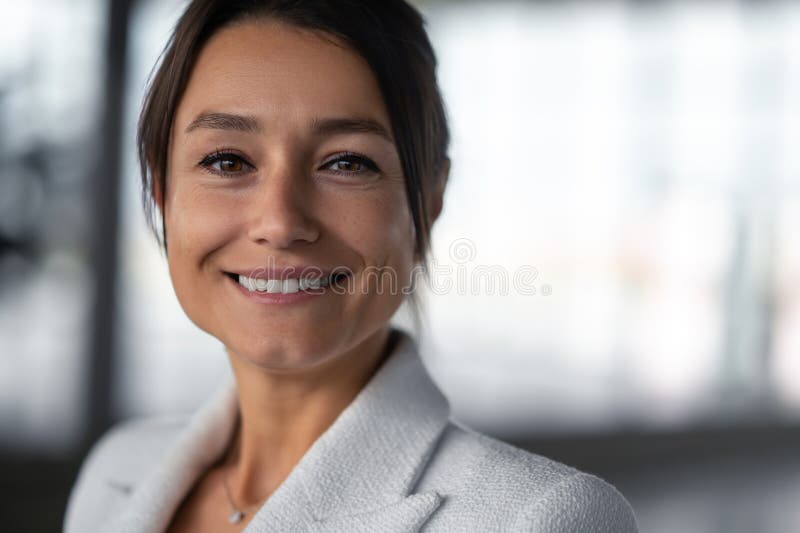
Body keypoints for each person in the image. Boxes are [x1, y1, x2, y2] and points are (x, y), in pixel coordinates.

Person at [64, 1, 638, 531]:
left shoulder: (541, 518)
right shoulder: (117, 471)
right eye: (227, 160)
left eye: (346, 163)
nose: (280, 222)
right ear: (162, 192)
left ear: (428, 202)